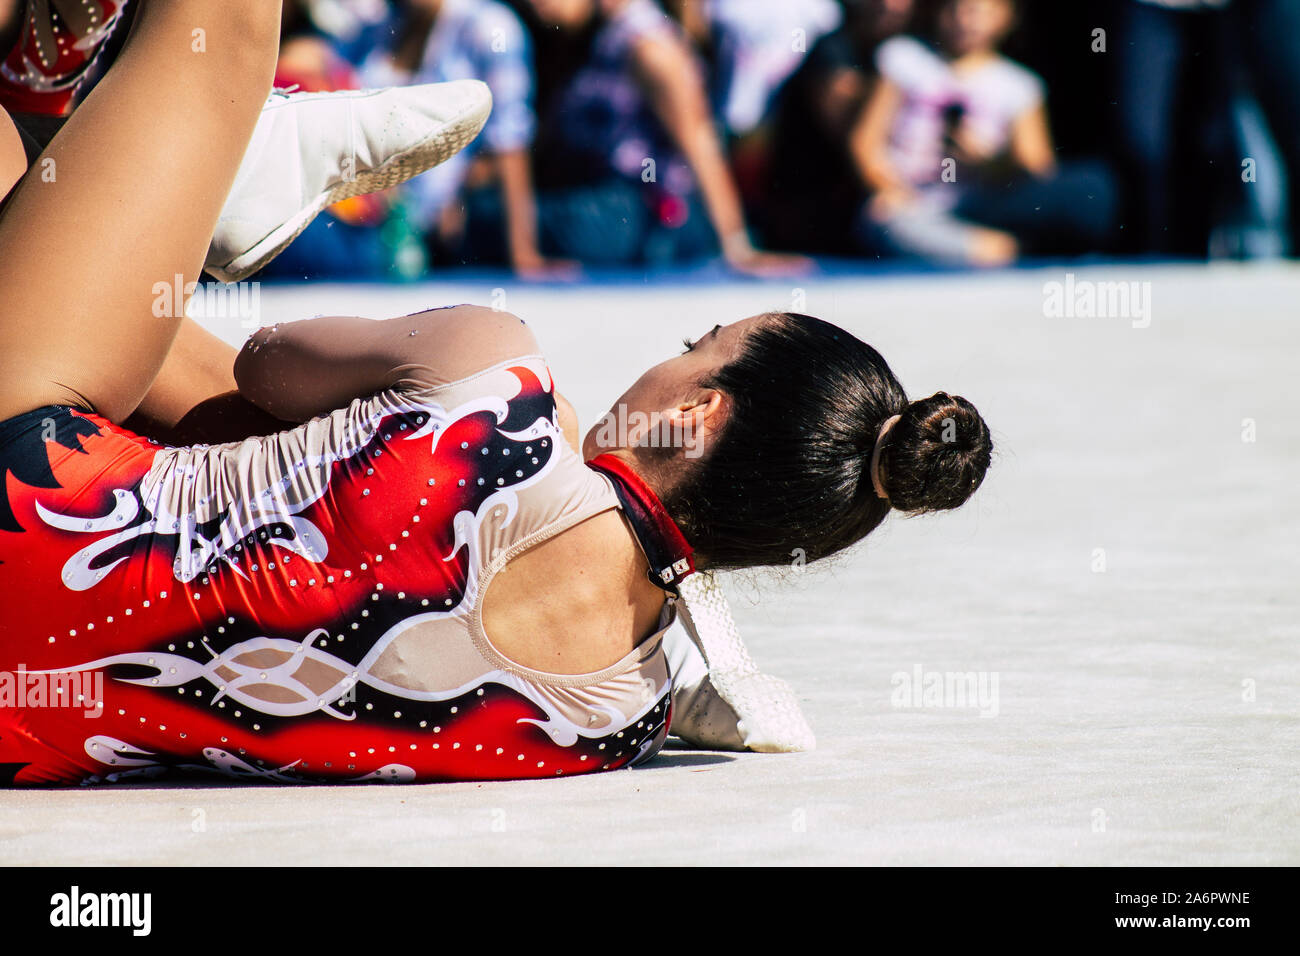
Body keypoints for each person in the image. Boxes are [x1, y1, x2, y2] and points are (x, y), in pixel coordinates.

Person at [0, 0, 992, 787]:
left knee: (231, 25)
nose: (665, 362)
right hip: (23, 718)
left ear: (698, 411)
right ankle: (76, 123)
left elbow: (261, 361)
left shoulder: (497, 382)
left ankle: (203, 163)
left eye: (697, 347)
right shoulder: (612, 722)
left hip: (25, 476)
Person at [525, 0, 810, 275]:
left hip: (636, 217)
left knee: (493, 218)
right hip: (612, 211)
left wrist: (738, 247)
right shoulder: (604, 40)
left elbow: (699, 140)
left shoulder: (649, 48)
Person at [850, 0, 1115, 266]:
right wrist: (889, 188)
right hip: (915, 206)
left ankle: (988, 247)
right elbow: (865, 142)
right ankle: (996, 250)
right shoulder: (904, 58)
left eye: (976, 12)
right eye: (954, 9)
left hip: (980, 206)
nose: (964, 21)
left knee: (1090, 187)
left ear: (1006, 18)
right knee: (886, 222)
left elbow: (1038, 167)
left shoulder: (1019, 84)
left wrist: (989, 161)